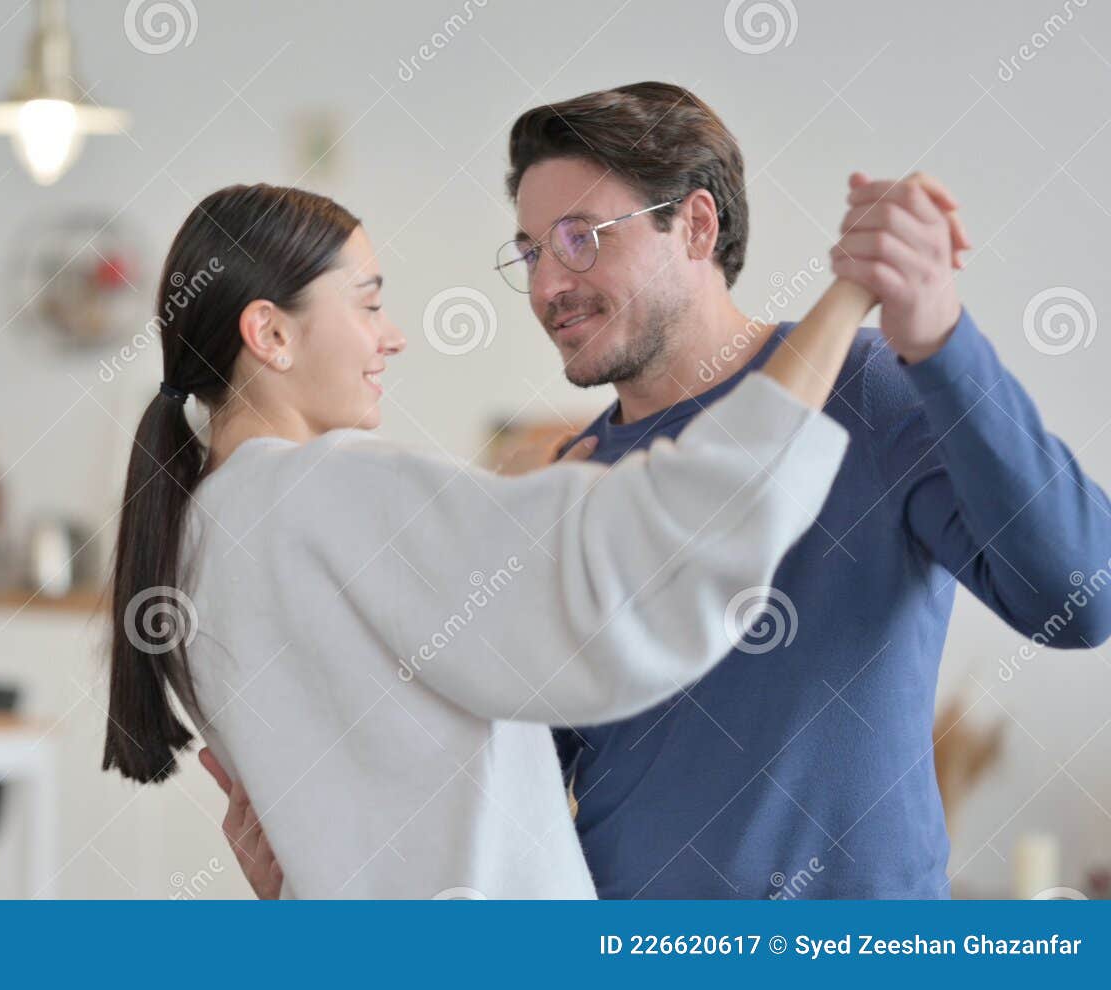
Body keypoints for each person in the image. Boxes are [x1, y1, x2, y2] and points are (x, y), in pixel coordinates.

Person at [204, 82, 1111, 900]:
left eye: (580, 239)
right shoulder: (571, 484)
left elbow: (1080, 597)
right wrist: (317, 864)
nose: (548, 285)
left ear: (698, 226)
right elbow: (503, 791)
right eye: (529, 253)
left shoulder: (865, 390)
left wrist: (942, 339)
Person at [101, 179, 881, 897]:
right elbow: (636, 559)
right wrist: (846, 300)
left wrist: (527, 525)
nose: (393, 336)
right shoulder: (328, 488)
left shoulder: (194, 537)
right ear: (270, 333)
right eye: (369, 305)